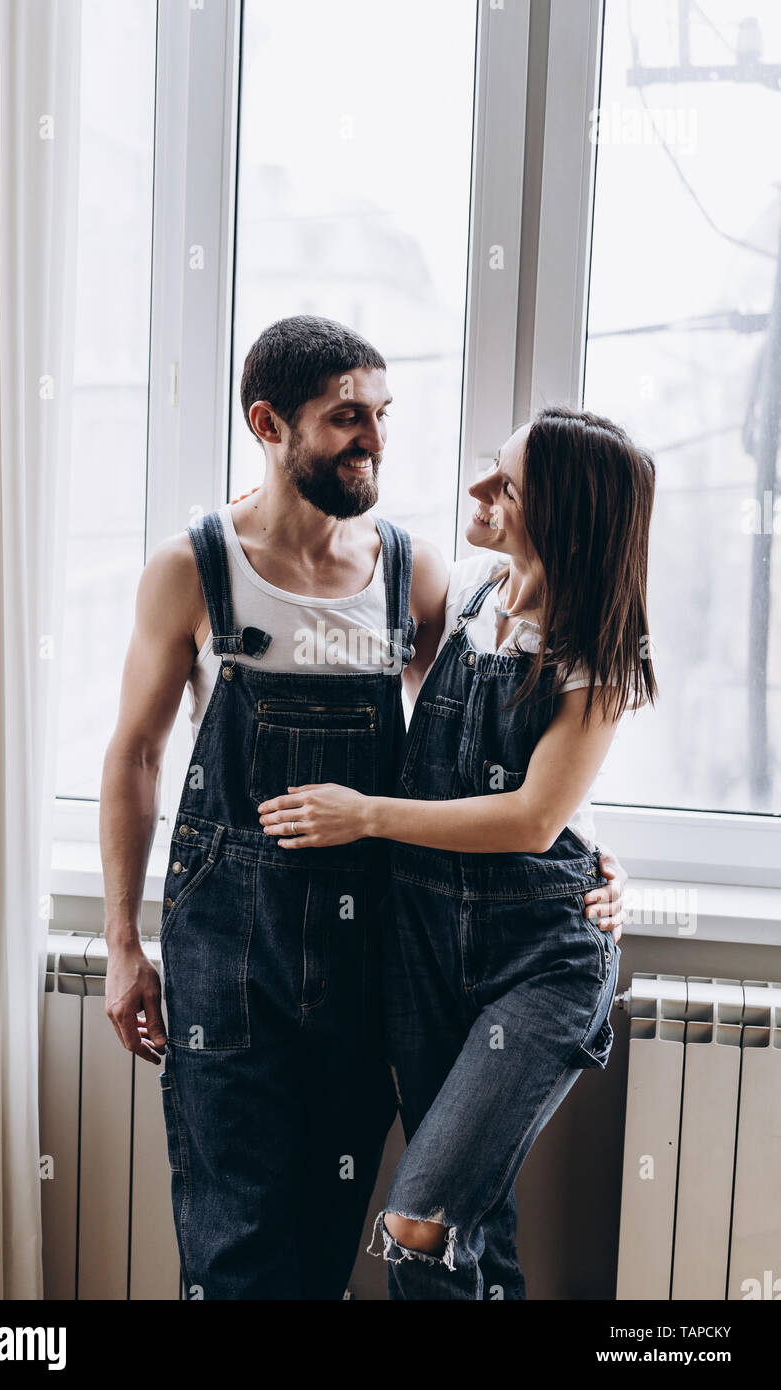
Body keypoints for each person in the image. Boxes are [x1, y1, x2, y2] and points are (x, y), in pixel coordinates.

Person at [257, 404, 655, 1299]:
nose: (476, 490)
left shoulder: (599, 649)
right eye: (490, 466)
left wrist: (365, 815)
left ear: (561, 518)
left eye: (505, 484)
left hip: (542, 965)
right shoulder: (468, 595)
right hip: (425, 951)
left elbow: (527, 822)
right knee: (477, 1227)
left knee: (418, 1223)